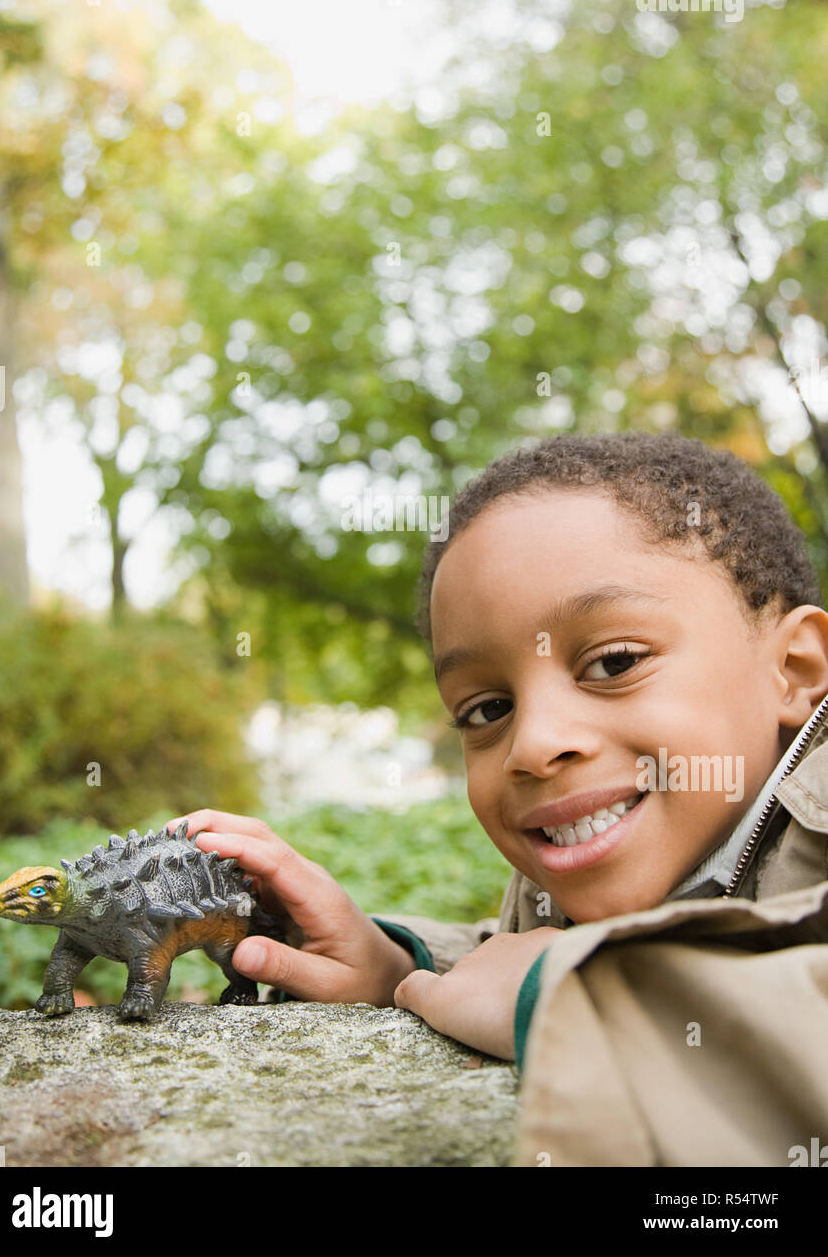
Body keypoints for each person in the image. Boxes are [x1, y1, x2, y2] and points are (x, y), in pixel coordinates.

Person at [170, 431, 828, 1166]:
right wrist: (394, 970)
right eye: (486, 710)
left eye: (614, 662)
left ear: (793, 670)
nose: (533, 746)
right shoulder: (575, 873)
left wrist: (579, 997)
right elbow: (508, 957)